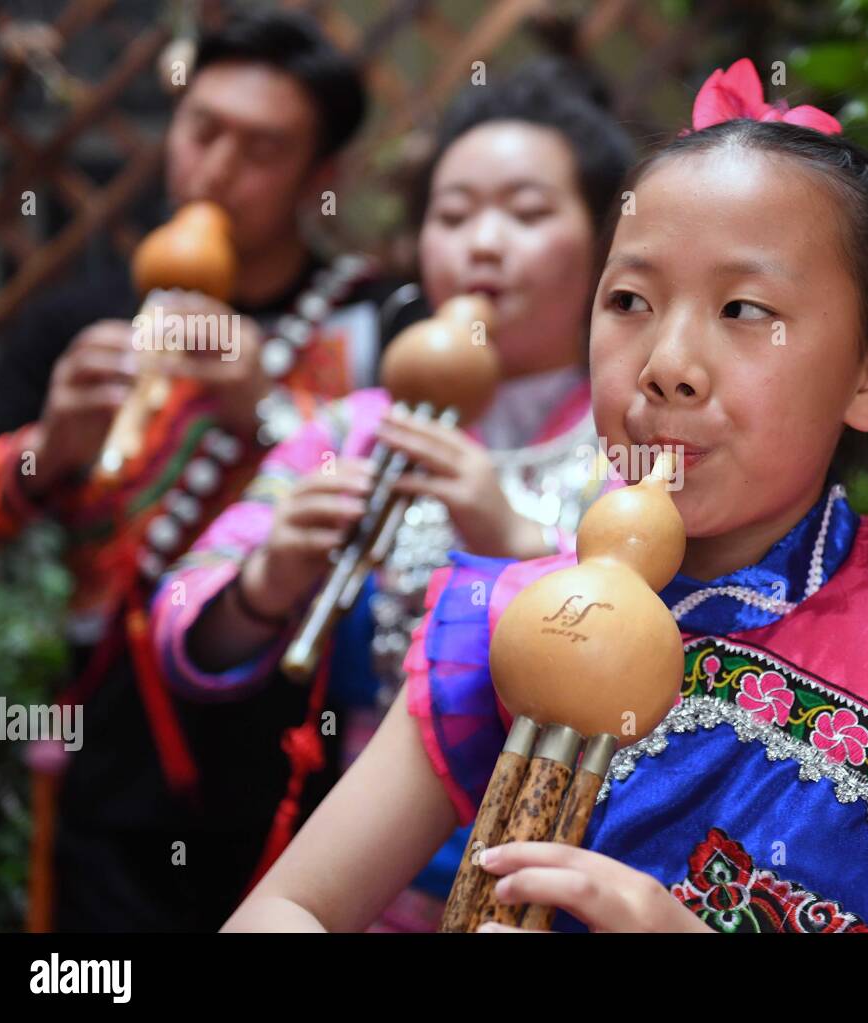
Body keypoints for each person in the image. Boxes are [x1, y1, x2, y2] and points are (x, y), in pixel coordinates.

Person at [222, 58, 868, 933]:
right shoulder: (513, 620)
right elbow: (285, 904)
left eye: (743, 311)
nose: (665, 368)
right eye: (629, 301)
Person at [152, 58, 636, 930]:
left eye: (526, 213)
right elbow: (182, 607)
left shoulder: (635, 441)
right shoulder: (353, 430)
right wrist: (267, 577)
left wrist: (517, 548)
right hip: (369, 876)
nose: (483, 244)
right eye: (453, 216)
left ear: (603, 245)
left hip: (579, 865)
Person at [0, 8, 421, 931]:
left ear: (322, 175)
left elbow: (412, 512)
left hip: (309, 739)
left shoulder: (375, 323)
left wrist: (269, 411)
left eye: (260, 149)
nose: (215, 170)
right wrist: (49, 447)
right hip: (110, 737)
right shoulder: (81, 319)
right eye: (201, 129)